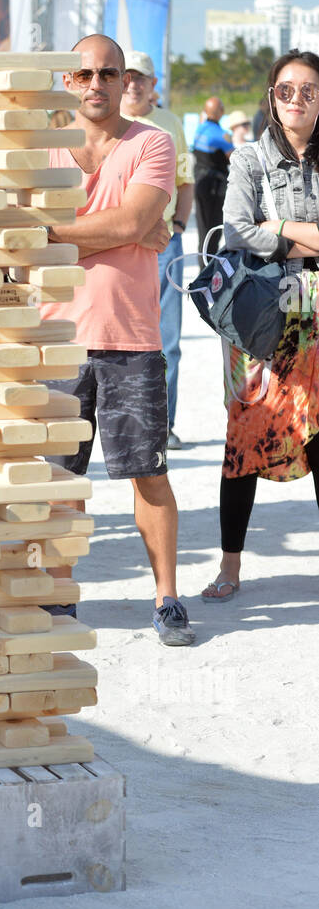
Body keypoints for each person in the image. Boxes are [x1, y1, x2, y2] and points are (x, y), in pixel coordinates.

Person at [43, 34, 195, 647]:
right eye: (85, 74)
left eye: (109, 73)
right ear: (68, 81)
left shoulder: (152, 142)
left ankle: (167, 598)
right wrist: (125, 231)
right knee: (60, 481)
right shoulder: (41, 149)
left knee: (148, 475)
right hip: (55, 338)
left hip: (130, 337)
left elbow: (135, 219)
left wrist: (53, 232)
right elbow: (17, 236)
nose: (98, 84)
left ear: (124, 79)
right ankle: (58, 598)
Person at [202, 49, 319, 602]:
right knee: (245, 440)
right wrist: (300, 236)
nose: (297, 99)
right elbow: (236, 231)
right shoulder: (250, 158)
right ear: (272, 96)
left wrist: (279, 225)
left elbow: (260, 230)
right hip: (259, 316)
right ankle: (230, 566)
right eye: (286, 89)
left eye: (309, 90)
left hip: (316, 314)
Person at [121, 51, 194, 448]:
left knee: (167, 341)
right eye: (127, 76)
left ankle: (162, 425)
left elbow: (186, 181)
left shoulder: (171, 124)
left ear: (153, 85)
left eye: (141, 78)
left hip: (164, 245)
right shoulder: (107, 121)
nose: (133, 84)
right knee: (113, 339)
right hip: (116, 246)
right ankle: (121, 424)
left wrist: (178, 226)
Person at [192, 96, 233, 257]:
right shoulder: (222, 135)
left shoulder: (199, 130)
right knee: (214, 230)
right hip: (216, 187)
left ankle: (202, 264)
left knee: (202, 228)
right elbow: (234, 158)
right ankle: (210, 264)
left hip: (199, 181)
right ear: (221, 112)